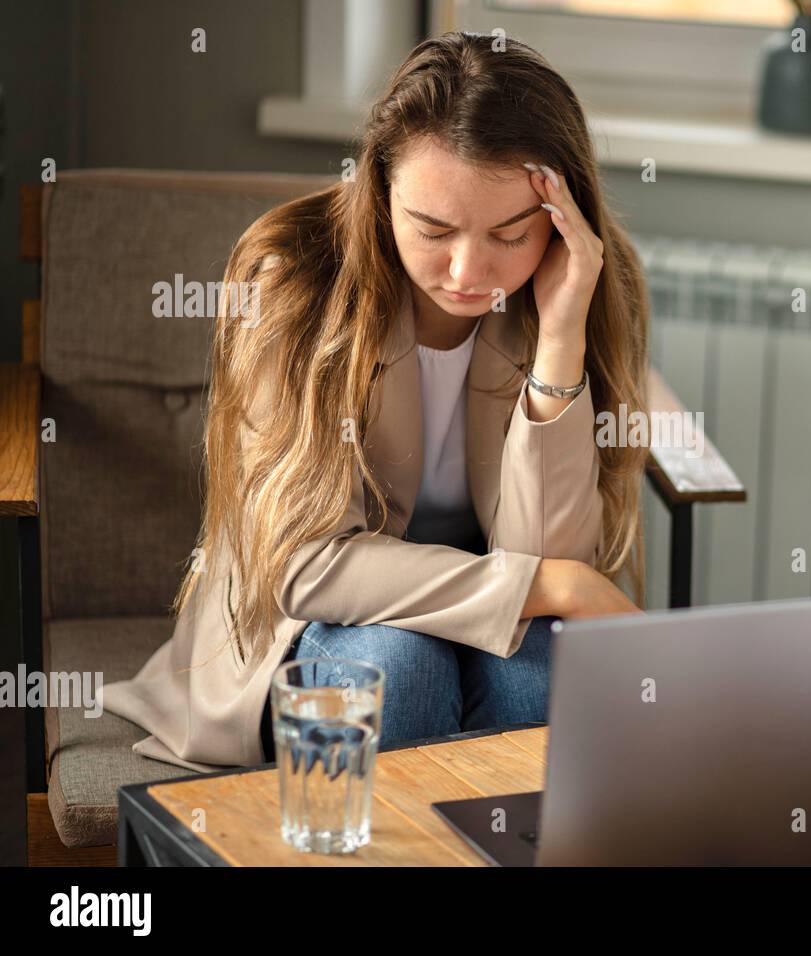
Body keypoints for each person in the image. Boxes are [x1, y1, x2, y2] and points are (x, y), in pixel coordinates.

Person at [100, 31, 649, 772]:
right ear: (378, 190)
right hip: (317, 625)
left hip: (501, 610)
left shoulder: (580, 281)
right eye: (433, 229)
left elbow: (552, 556)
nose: (467, 270)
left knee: (540, 680)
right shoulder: (291, 280)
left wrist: (559, 339)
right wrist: (551, 585)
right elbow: (300, 566)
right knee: (399, 667)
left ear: (556, 219)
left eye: (510, 234)